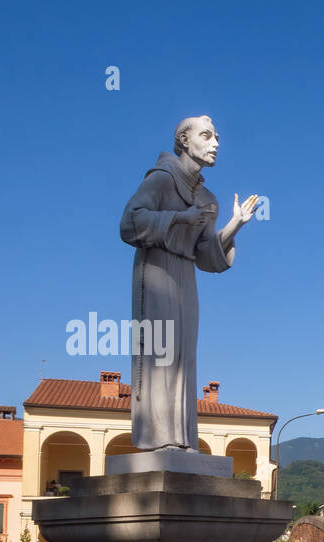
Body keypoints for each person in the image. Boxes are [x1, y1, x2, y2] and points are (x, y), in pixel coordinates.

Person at [119, 115, 261, 450]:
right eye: (207, 136)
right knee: (160, 353)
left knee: (184, 356)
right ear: (184, 140)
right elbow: (129, 223)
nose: (215, 144)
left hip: (185, 276)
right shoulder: (162, 179)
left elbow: (206, 255)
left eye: (217, 139)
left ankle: (180, 439)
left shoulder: (207, 199)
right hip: (155, 268)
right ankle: (155, 439)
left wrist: (235, 224)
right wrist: (179, 219)